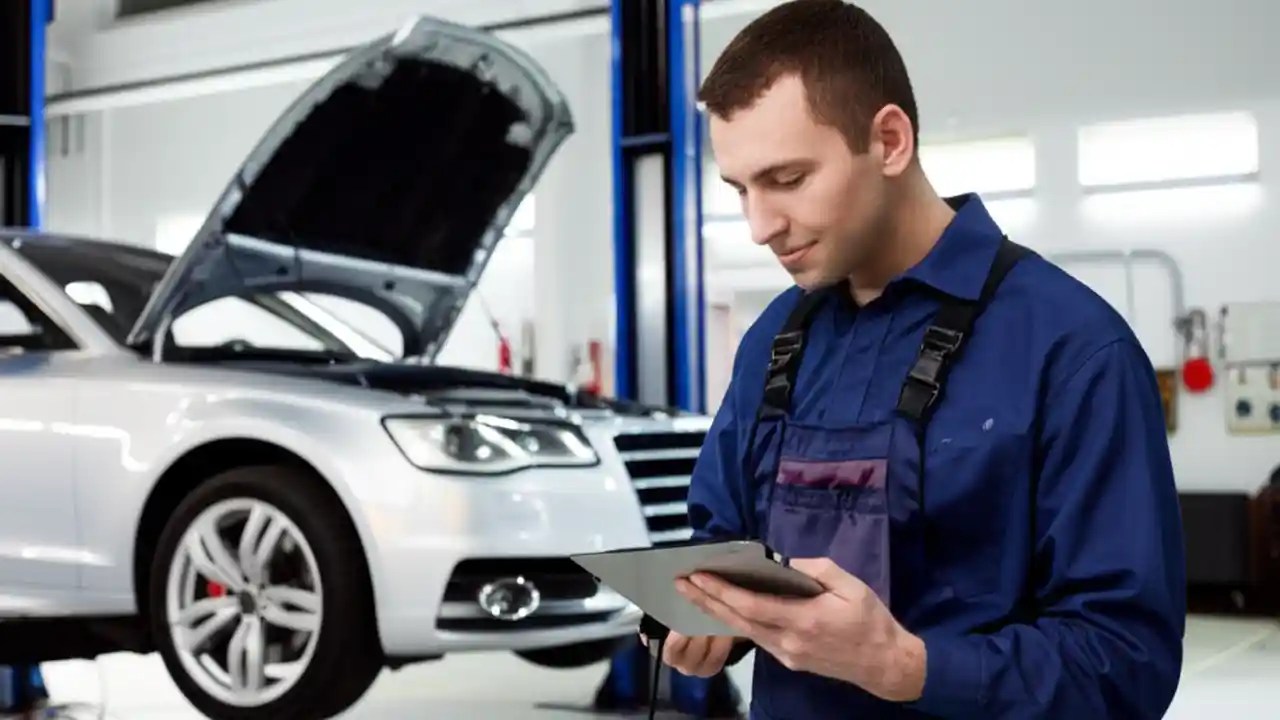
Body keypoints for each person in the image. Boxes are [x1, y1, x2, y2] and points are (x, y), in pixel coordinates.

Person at [659, 1, 1187, 718]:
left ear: (889, 140)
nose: (758, 227)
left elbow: (1125, 662)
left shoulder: (1074, 351)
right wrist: (707, 615)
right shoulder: (775, 341)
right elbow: (721, 538)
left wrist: (905, 666)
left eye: (786, 180)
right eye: (739, 190)